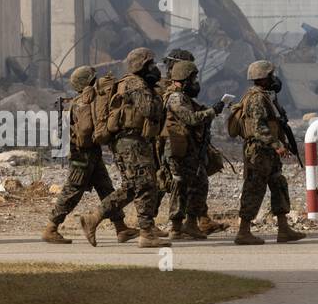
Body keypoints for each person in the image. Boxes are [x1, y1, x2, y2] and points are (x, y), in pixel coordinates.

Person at [80, 47, 171, 248]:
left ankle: (93, 218)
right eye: (151, 64)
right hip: (132, 143)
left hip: (129, 142)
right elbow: (150, 110)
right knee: (147, 185)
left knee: (132, 187)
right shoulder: (136, 84)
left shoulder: (129, 83)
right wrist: (158, 93)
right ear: (141, 66)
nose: (155, 68)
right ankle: (147, 233)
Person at [41, 66, 138, 245]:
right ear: (89, 82)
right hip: (82, 155)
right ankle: (51, 228)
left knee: (106, 189)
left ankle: (121, 228)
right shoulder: (83, 103)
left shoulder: (80, 101)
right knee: (72, 191)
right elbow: (85, 131)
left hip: (90, 153)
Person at [232, 60, 306, 245]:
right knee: (254, 188)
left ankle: (284, 229)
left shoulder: (266, 96)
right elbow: (258, 127)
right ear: (264, 78)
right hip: (259, 151)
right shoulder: (256, 98)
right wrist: (276, 144)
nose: (274, 79)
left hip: (268, 151)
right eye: (271, 75)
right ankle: (243, 232)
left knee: (278, 184)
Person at [162, 60, 225, 240]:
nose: (196, 83)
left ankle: (190, 224)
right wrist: (212, 111)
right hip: (178, 149)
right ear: (184, 80)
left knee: (198, 184)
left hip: (188, 148)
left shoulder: (184, 97)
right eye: (193, 78)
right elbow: (190, 118)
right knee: (179, 185)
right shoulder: (175, 98)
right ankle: (176, 227)